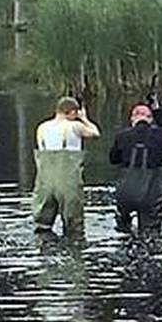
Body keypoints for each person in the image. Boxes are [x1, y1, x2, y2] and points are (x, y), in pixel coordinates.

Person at [32, 96, 101, 237]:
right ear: (72, 112)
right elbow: (95, 133)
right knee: (74, 226)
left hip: (44, 181)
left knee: (42, 225)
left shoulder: (41, 128)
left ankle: (43, 253)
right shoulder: (74, 126)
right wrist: (84, 119)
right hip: (68, 182)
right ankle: (73, 251)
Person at [109, 93, 162, 234]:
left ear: (132, 118)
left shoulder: (121, 136)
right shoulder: (159, 135)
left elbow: (113, 160)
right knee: (151, 233)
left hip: (126, 193)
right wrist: (157, 109)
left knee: (123, 230)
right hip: (150, 194)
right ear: (150, 119)